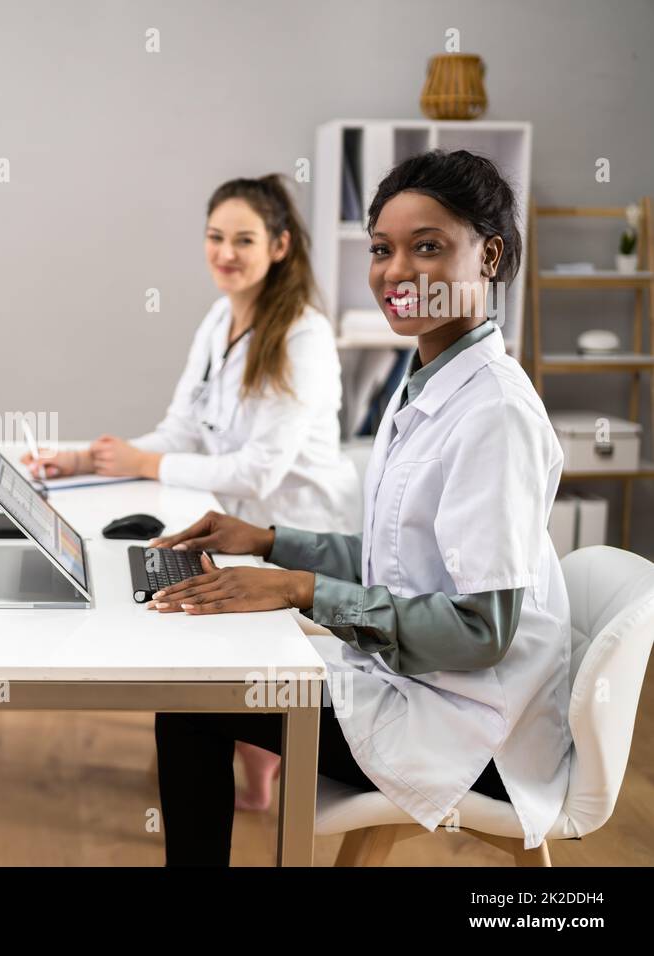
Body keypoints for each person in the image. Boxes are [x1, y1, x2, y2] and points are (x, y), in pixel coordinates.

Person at [148, 150, 572, 866]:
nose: (395, 271)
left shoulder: (494, 411)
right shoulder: (427, 387)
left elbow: (480, 633)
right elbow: (398, 561)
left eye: (427, 247)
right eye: (382, 249)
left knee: (195, 703)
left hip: (474, 733)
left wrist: (302, 589)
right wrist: (269, 540)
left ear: (489, 255)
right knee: (197, 691)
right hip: (422, 688)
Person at [24, 174, 361, 808]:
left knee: (192, 626)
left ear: (280, 246)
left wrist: (147, 464)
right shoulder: (220, 318)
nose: (225, 253)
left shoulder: (304, 337)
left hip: (290, 533)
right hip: (231, 523)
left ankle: (257, 755)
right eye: (215, 237)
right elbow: (182, 429)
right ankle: (240, 754)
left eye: (244, 239)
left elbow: (256, 471)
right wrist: (89, 459)